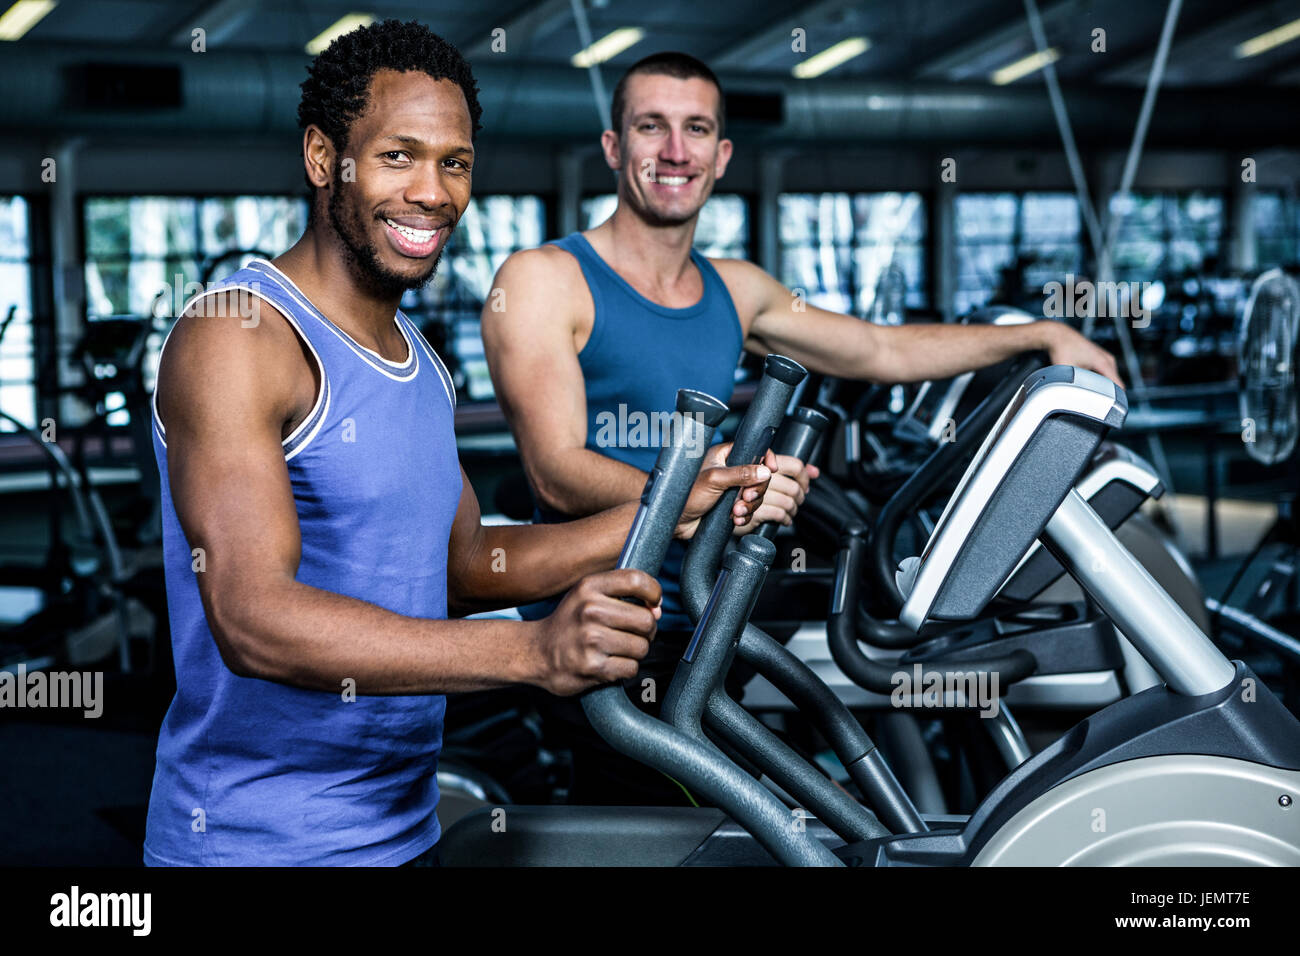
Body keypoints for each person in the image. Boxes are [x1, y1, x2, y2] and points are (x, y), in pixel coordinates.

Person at [142, 22, 772, 867]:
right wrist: (532, 651)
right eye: (398, 156)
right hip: (259, 851)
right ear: (324, 157)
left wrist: (673, 508)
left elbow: (467, 567)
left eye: (455, 162)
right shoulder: (241, 336)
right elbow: (254, 618)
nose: (433, 191)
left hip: (405, 832)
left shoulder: (422, 365)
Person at [481, 51, 1124, 805]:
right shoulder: (543, 278)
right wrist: (711, 492)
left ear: (721, 156)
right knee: (705, 829)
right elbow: (556, 470)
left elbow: (879, 348)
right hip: (604, 625)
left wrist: (1036, 336)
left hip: (709, 621)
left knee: (781, 810)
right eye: (651, 128)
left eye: (696, 130)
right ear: (615, 147)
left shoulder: (737, 290)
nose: (675, 152)